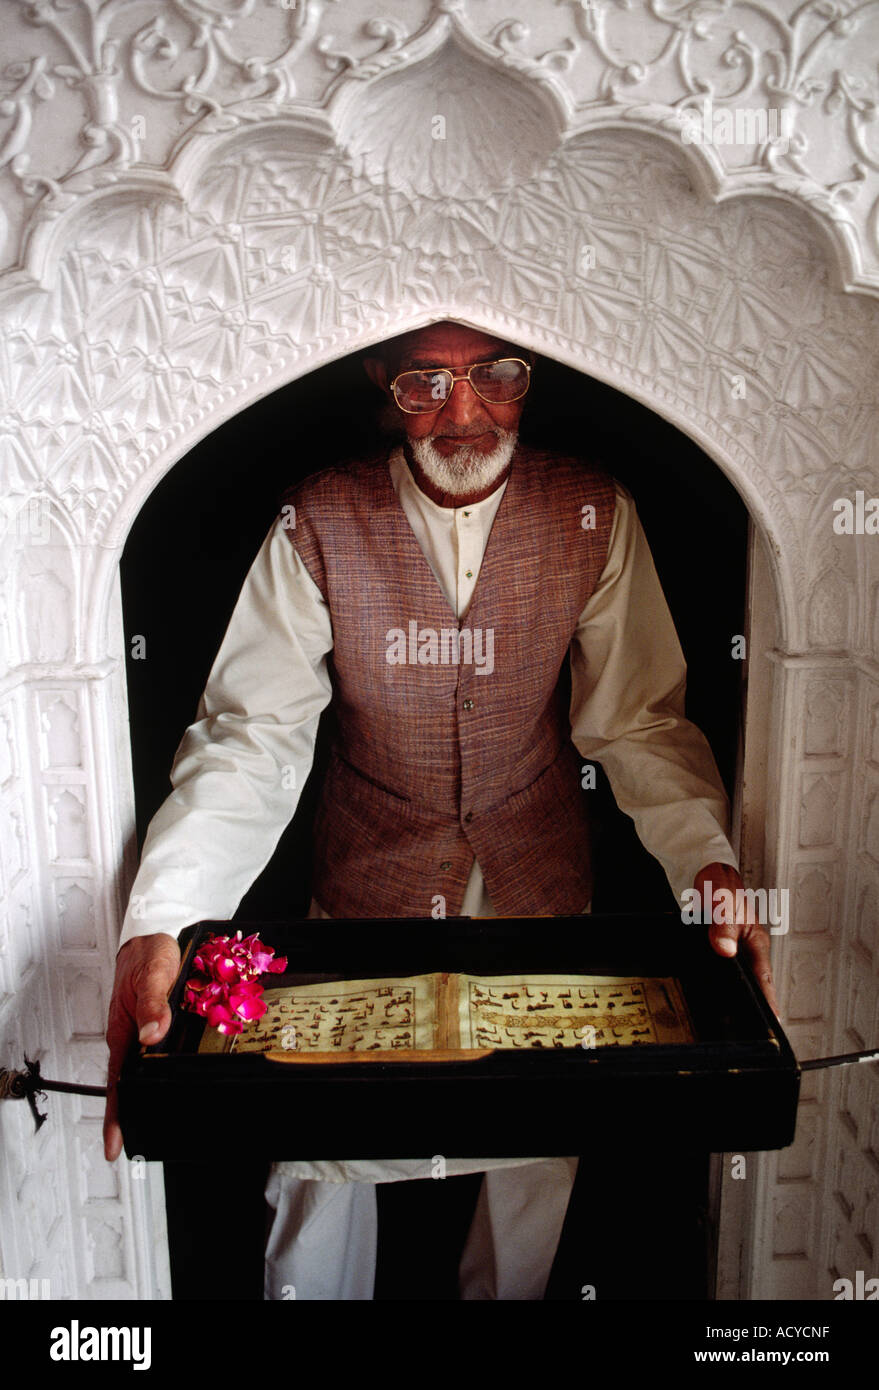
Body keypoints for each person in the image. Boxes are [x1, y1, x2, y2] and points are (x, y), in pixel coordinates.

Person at [103, 320, 778, 1300]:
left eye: (493, 376)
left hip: (539, 887)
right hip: (366, 885)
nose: (464, 412)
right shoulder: (318, 519)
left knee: (535, 1162)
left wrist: (704, 864)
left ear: (531, 375)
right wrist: (157, 918)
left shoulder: (595, 510)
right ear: (382, 379)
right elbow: (252, 742)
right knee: (315, 1166)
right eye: (426, 382)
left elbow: (637, 724)